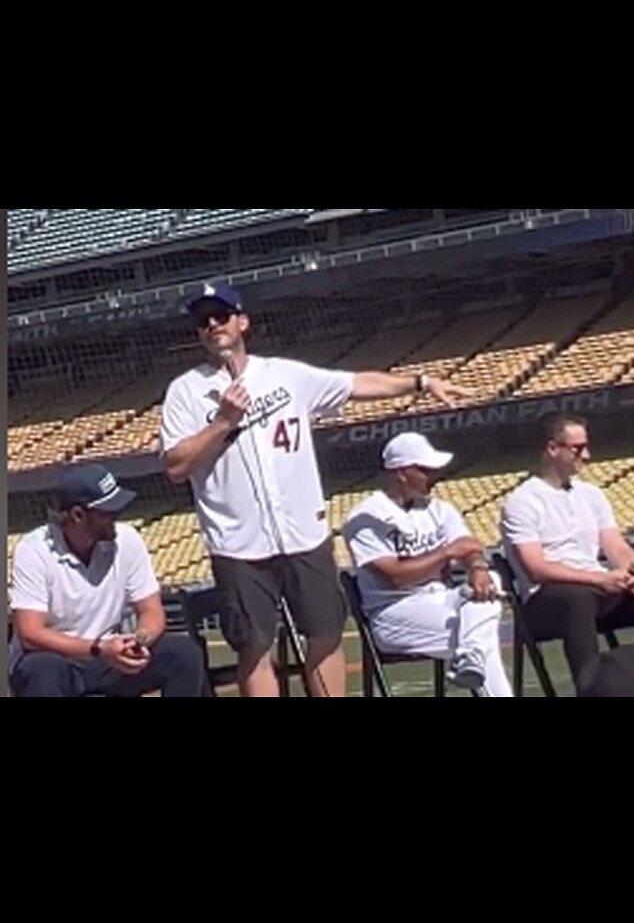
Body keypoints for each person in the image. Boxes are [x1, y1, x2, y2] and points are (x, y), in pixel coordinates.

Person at [160, 281, 473, 699]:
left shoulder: (284, 375)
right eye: (203, 320)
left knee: (325, 632)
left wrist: (420, 382)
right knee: (254, 644)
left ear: (243, 321)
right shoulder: (185, 391)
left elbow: (355, 384)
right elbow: (176, 466)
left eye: (222, 315)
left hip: (303, 532)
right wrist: (222, 422)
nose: (213, 324)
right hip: (237, 542)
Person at [501, 416, 634, 688]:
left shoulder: (591, 494)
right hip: (546, 599)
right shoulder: (522, 501)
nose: (587, 456)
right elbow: (536, 569)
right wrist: (599, 579)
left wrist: (631, 572)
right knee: (577, 600)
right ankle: (592, 691)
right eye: (578, 448)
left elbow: (615, 545)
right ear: (553, 448)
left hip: (597, 588)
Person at [10, 463, 206, 698]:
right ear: (78, 515)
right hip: (62, 659)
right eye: (107, 512)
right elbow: (30, 633)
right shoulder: (34, 550)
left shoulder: (127, 540)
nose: (117, 515)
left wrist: (138, 641)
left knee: (183, 653)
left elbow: (151, 610)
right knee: (42, 669)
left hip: (110, 656)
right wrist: (97, 649)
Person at [342, 433, 512, 696]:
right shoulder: (365, 517)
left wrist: (477, 567)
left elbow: (469, 547)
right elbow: (396, 577)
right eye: (425, 470)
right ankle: (471, 654)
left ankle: (469, 654)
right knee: (480, 639)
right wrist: (446, 553)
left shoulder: (440, 509)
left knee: (491, 584)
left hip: (441, 598)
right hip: (394, 612)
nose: (434, 476)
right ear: (401, 473)